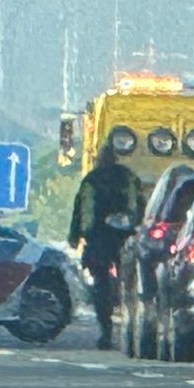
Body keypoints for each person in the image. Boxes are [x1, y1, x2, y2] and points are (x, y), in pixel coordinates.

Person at [68, 142, 143, 349]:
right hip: (124, 238)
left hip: (98, 239)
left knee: (100, 285)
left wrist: (74, 236)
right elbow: (140, 206)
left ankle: (106, 331)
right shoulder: (127, 177)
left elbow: (80, 211)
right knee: (129, 283)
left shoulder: (91, 180)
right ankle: (130, 327)